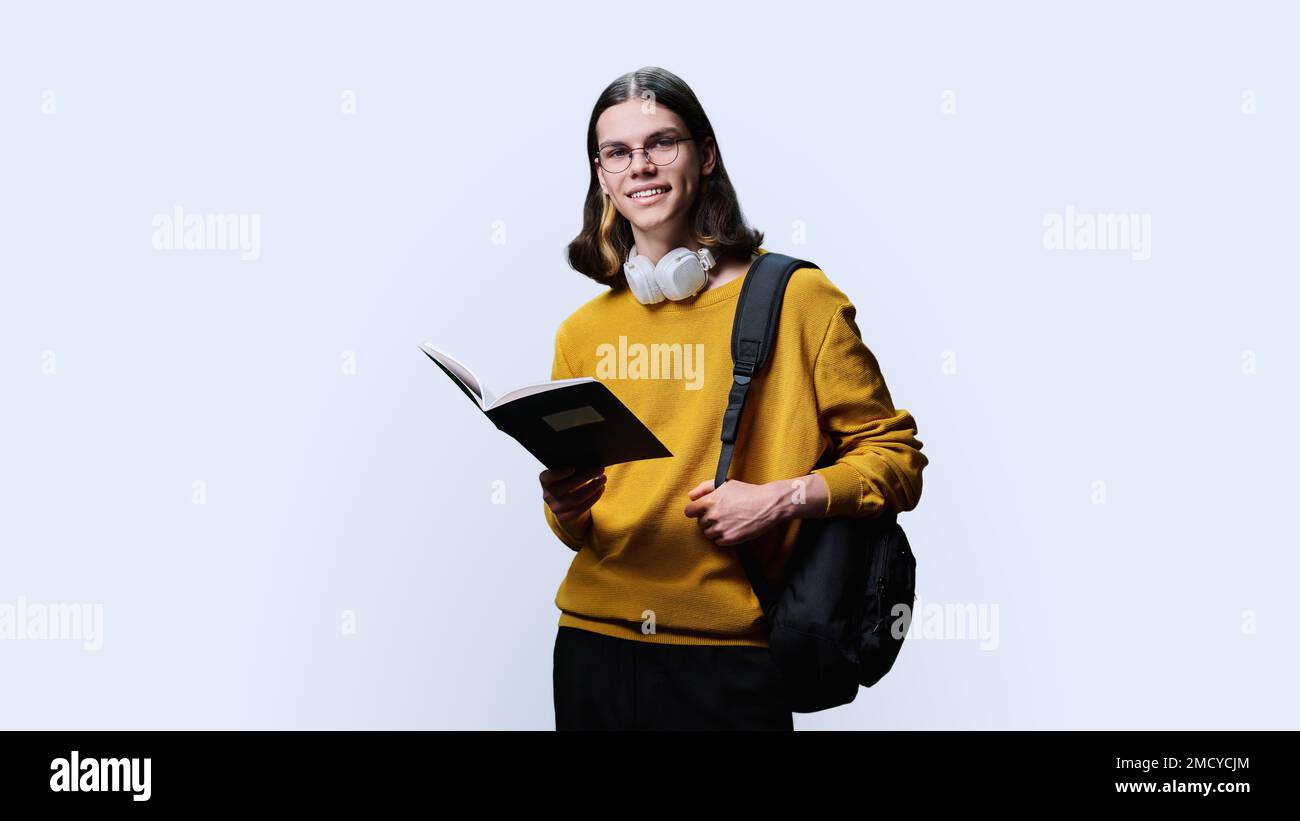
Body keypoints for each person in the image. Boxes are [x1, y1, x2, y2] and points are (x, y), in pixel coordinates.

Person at [541, 66, 929, 730]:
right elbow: (579, 526)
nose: (640, 165)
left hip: (728, 662)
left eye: (662, 142)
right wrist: (562, 504)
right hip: (590, 650)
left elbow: (898, 459)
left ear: (706, 155)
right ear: (601, 176)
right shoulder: (582, 331)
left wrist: (782, 497)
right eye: (618, 152)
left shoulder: (799, 300)